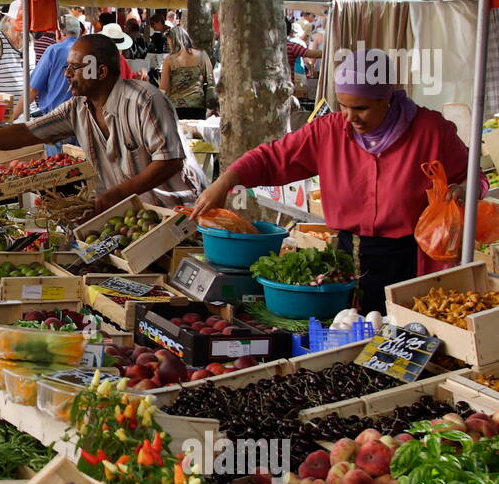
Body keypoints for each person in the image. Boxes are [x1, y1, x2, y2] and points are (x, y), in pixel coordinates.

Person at [190, 49, 481, 314]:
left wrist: (464, 190)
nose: (351, 117)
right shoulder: (329, 131)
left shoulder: (430, 131)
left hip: (410, 261)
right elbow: (273, 158)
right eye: (344, 106)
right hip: (346, 258)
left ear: (388, 99)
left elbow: (474, 177)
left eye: (362, 108)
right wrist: (227, 180)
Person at [0, 34, 196, 213]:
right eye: (66, 67)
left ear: (101, 72)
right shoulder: (78, 107)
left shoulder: (145, 101)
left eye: (74, 68)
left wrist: (115, 194)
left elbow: (170, 160)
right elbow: (27, 132)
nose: (66, 74)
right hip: (132, 214)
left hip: (176, 212)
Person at [159, 25, 215, 119]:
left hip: (176, 109)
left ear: (174, 41)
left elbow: (163, 88)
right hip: (198, 107)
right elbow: (211, 82)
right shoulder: (202, 56)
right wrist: (213, 106)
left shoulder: (169, 60)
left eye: (169, 43)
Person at [29, 14, 81, 116]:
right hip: (81, 115)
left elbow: (33, 89)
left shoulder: (55, 50)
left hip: (55, 116)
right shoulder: (89, 50)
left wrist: (15, 115)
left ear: (59, 32)